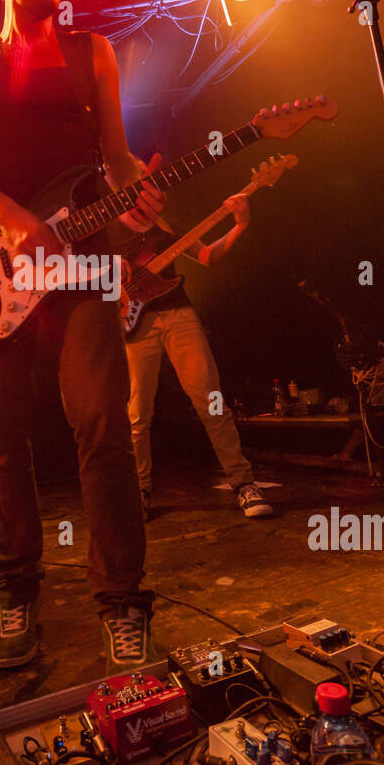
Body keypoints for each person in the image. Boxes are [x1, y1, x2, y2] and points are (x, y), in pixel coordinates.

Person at [0, 0, 165, 672]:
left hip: (87, 260)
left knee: (103, 423)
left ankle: (122, 601)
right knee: (1, 439)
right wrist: (10, 217)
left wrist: (138, 193)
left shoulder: (92, 51)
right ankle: (16, 589)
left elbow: (118, 156)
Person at [123, 192, 274, 520]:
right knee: (137, 413)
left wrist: (241, 224)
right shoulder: (111, 232)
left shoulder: (167, 227)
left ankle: (243, 483)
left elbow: (206, 255)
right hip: (135, 323)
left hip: (178, 313)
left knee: (212, 401)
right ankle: (140, 490)